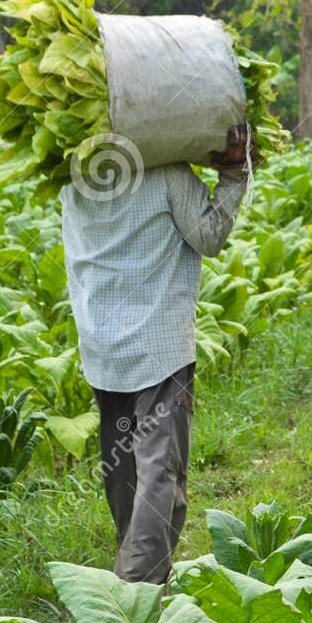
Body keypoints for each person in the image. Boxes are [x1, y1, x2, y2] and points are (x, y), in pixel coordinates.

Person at [62, 124, 256, 585]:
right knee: (159, 473)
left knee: (123, 465)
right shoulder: (166, 174)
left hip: (103, 346)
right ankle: (138, 593)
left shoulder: (75, 179)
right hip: (158, 347)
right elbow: (208, 237)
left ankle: (134, 563)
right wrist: (234, 175)